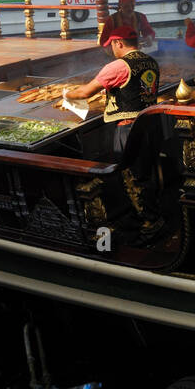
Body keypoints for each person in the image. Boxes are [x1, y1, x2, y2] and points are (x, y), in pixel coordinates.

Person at [63, 25, 162, 238]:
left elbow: (85, 92)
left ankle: (148, 224)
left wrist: (66, 94)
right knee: (147, 172)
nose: (111, 50)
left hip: (129, 128)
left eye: (112, 45)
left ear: (119, 43)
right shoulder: (150, 61)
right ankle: (151, 215)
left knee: (132, 175)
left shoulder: (118, 66)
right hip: (150, 124)